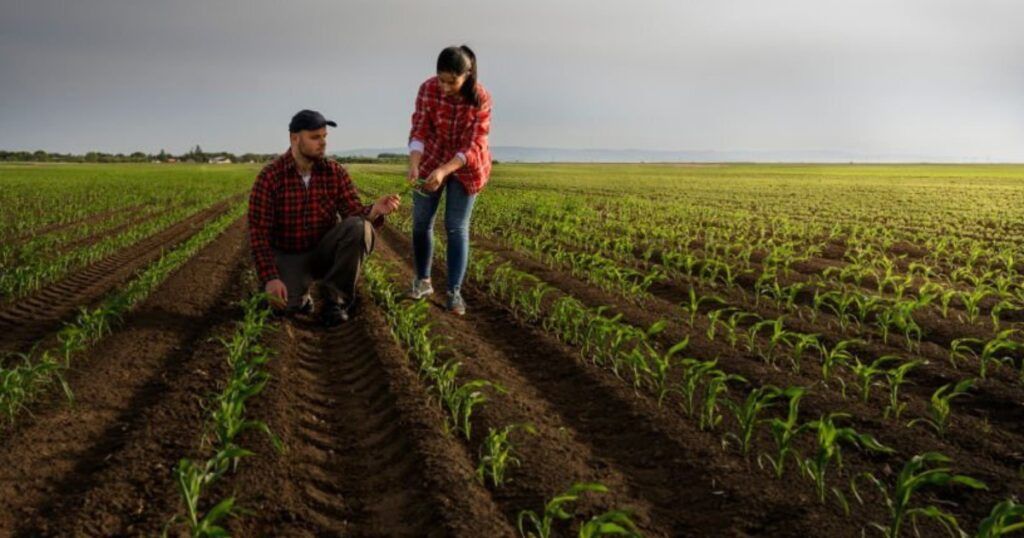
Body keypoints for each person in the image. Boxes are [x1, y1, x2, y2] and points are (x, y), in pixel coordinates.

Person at [248, 109, 401, 326]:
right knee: (284, 307)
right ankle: (300, 298)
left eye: (324, 137)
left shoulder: (334, 172)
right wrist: (270, 278)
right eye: (315, 137)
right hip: (290, 255)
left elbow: (353, 213)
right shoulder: (270, 177)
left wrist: (374, 210)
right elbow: (258, 234)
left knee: (359, 227)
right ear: (294, 138)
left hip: (324, 251)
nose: (323, 143)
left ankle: (335, 301)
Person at [406, 45, 493, 315]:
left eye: (451, 81)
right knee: (421, 223)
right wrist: (415, 165)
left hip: (466, 166)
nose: (444, 87)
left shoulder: (480, 98)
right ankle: (423, 281)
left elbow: (473, 145)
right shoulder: (427, 90)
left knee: (455, 227)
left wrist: (445, 171)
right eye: (440, 79)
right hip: (431, 158)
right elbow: (419, 127)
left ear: (466, 75)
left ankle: (454, 293)